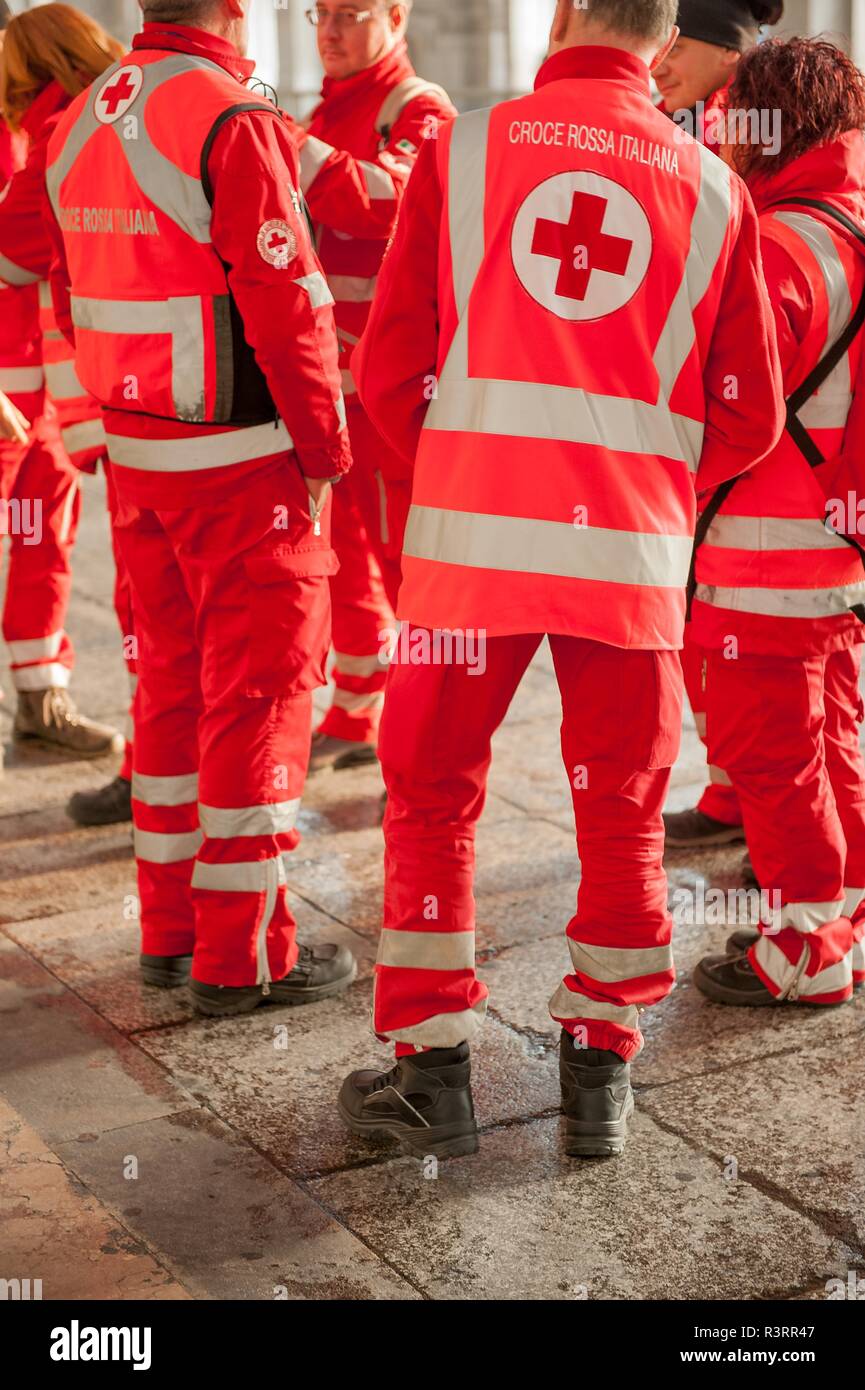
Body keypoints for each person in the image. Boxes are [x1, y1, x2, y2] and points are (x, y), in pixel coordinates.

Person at [336, 0, 785, 1160]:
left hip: (469, 545)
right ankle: (600, 1067)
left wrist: (448, 476)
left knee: (431, 793)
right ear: (661, 29)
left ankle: (431, 1068)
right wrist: (657, 490)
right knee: (624, 802)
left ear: (571, 11)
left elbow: (389, 375)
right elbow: (751, 412)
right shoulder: (717, 188)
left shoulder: (462, 147)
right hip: (626, 555)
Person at [45, 0, 358, 1013]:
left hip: (140, 460)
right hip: (240, 460)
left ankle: (171, 932)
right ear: (231, 8)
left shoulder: (81, 118)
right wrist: (323, 450)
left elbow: (59, 283)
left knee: (169, 692)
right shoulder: (230, 115)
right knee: (260, 698)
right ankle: (244, 952)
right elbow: (289, 301)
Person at [692, 37, 865, 1007]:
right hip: (838, 539)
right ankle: (847, 909)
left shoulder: (782, 244)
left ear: (765, 123)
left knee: (771, 751)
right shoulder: (848, 215)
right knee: (830, 731)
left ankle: (804, 946)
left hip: (769, 550)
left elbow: (730, 399)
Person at [290, 1, 456, 774]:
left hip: (390, 390)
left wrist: (282, 145)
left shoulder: (416, 107)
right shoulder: (328, 108)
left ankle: (424, 745)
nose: (327, 30)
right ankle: (358, 709)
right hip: (332, 383)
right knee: (346, 557)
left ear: (395, 15)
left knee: (406, 566)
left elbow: (386, 203)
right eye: (318, 14)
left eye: (348, 13)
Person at [658, 1, 785, 850]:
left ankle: (760, 799)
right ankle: (733, 783)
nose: (659, 54)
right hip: (697, 406)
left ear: (724, 51)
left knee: (735, 629)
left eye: (677, 42)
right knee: (700, 623)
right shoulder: (681, 114)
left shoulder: (758, 126)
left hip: (748, 418)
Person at [0, 3, 122, 757]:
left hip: (39, 390)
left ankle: (41, 697)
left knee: (44, 538)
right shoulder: (65, 132)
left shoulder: (64, 131)